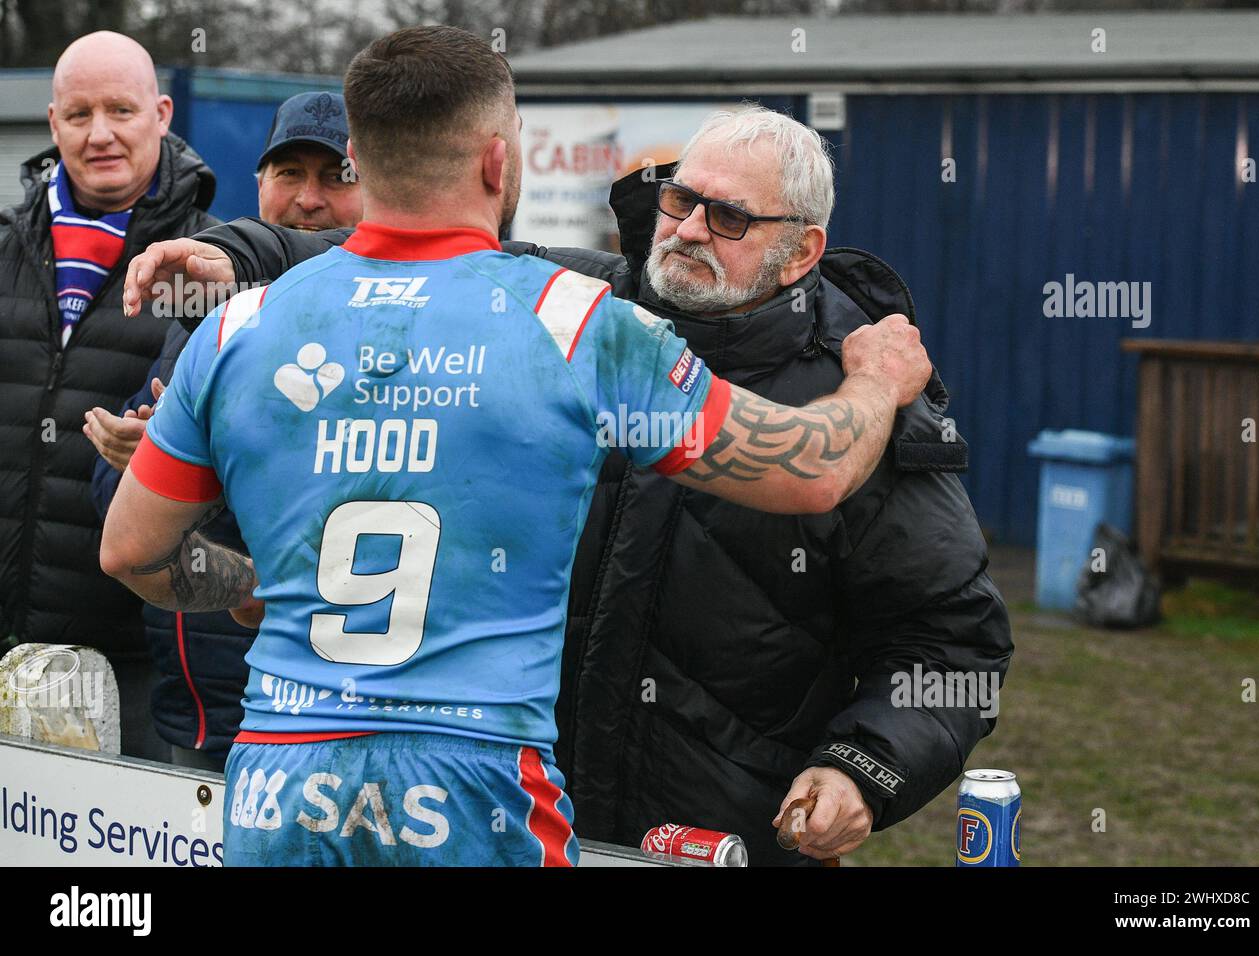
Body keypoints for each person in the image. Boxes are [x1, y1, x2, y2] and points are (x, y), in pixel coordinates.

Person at [101, 25, 931, 867]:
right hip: (472, 797)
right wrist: (875, 380)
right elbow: (816, 466)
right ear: (499, 163)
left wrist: (255, 590)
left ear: (357, 157)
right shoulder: (575, 325)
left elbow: (132, 551)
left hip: (278, 789)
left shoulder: (241, 327)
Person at [87, 92, 361, 771]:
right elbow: (111, 509)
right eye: (289, 173)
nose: (308, 199)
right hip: (193, 709)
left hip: (315, 711)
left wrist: (194, 471)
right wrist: (138, 458)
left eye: (336, 176)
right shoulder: (209, 315)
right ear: (259, 182)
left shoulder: (389, 329)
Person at [0, 31, 220, 761]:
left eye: (121, 111)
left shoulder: (209, 261)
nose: (100, 135)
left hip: (134, 658)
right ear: (53, 123)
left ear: (161, 113)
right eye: (79, 114)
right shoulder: (3, 248)